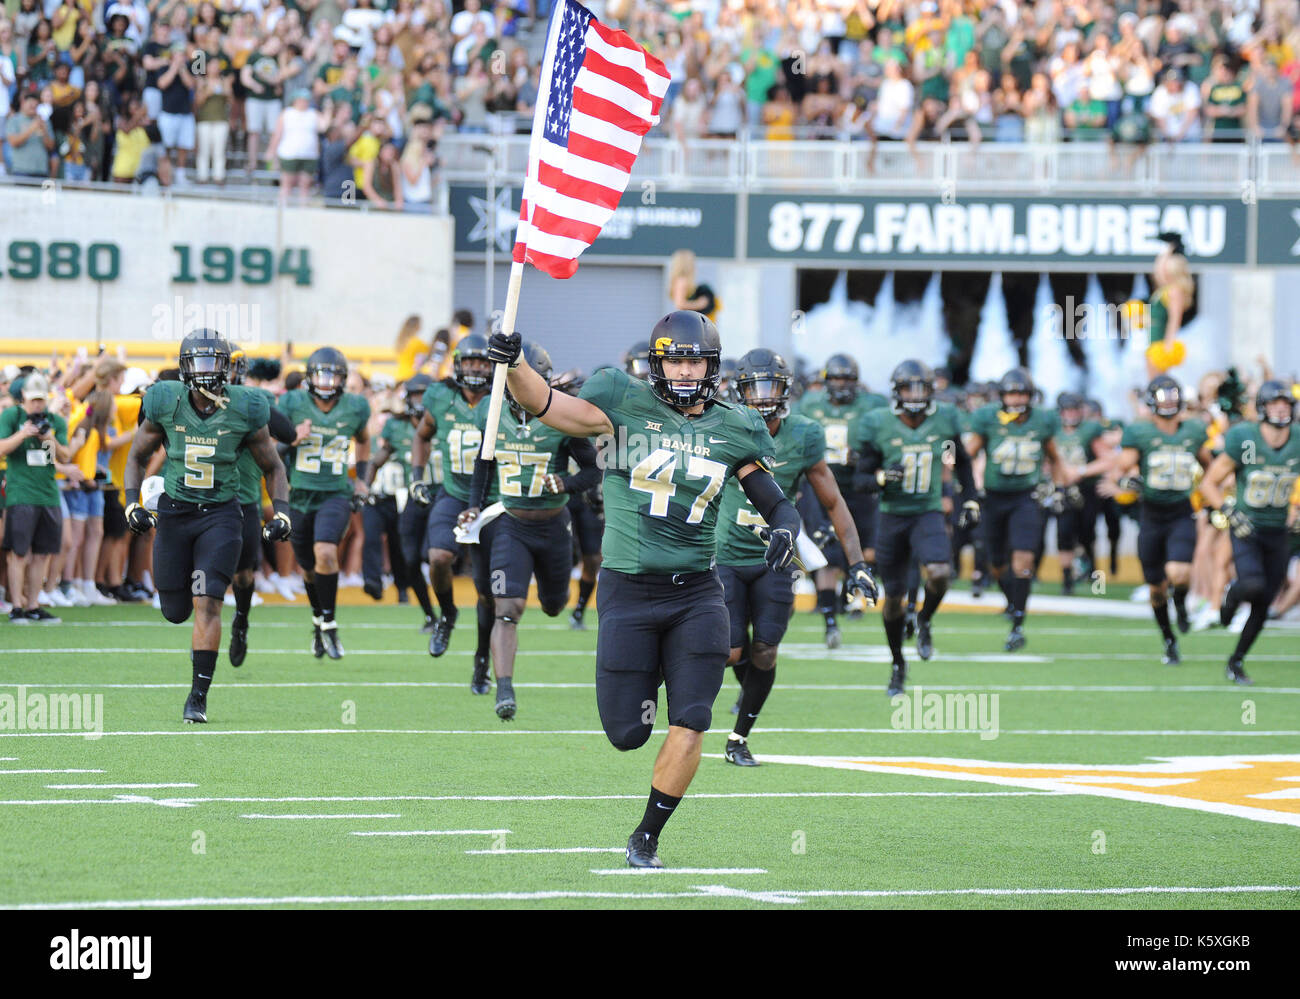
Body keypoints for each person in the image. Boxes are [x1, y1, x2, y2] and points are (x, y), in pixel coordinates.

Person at [490, 311, 800, 869]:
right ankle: (651, 672)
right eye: (675, 359)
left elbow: (773, 497)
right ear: (657, 364)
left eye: (695, 359)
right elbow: (549, 406)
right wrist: (513, 364)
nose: (685, 370)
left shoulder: (735, 425)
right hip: (629, 591)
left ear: (712, 364)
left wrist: (785, 526)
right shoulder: (622, 397)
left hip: (698, 594)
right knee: (627, 733)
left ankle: (646, 838)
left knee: (693, 718)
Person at [718, 349, 876, 764]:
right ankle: (743, 688)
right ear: (740, 391)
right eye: (755, 387)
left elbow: (835, 502)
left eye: (771, 386)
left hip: (777, 556)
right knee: (733, 651)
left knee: (765, 650)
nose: (764, 396)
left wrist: (857, 564)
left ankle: (738, 738)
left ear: (786, 390)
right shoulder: (721, 423)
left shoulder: (804, 433)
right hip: (725, 553)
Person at [123, 331, 290, 722]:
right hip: (176, 513)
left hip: (221, 514)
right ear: (184, 367)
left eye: (214, 362)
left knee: (209, 600)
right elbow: (136, 457)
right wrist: (131, 503)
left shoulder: (246, 405)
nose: (206, 371)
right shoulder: (164, 399)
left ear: (227, 367)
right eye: (198, 362)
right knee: (175, 610)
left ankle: (197, 696)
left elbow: (273, 465)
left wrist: (281, 510)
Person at [460, 342, 600, 720]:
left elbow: (593, 470)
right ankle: (504, 688)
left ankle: (555, 603)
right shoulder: (492, 413)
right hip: (511, 524)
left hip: (553, 526)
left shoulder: (559, 419)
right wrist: (474, 506)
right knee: (508, 608)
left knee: (555, 605)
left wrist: (565, 484)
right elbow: (483, 465)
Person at [854, 360, 976, 695]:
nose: (916, 395)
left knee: (939, 572)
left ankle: (924, 619)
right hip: (892, 516)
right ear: (897, 391)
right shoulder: (878, 423)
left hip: (928, 511)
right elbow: (861, 478)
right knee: (892, 600)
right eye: (909, 388)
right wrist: (881, 477)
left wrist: (970, 499)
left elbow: (962, 461)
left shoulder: (945, 419)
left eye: (922, 388)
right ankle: (898, 663)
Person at [963, 367, 1075, 652]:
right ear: (1002, 396)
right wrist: (965, 486)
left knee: (1022, 562)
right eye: (1012, 393)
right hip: (994, 497)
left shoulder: (1041, 420)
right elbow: (967, 454)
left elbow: (1055, 457)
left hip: (1026, 497)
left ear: (1030, 395)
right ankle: (1012, 603)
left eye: (1021, 393)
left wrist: (1060, 489)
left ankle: (1018, 624)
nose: (1016, 398)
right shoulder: (987, 418)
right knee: (997, 563)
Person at [409, 334, 497, 691]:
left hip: (493, 501)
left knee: (488, 589)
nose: (476, 368)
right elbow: (422, 434)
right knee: (439, 556)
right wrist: (417, 477)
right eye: (470, 361)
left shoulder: (501, 399)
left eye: (482, 362)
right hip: (455, 491)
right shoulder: (440, 396)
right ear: (458, 364)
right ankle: (446, 613)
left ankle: (481, 661)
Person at [1198, 381, 1300, 685]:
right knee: (1252, 586)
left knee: (1264, 601)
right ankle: (1230, 595)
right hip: (1248, 527)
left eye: (1286, 403)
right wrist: (1229, 512)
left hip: (1278, 531)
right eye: (1275, 404)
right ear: (1262, 408)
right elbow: (1208, 483)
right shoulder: (1244, 438)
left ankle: (1236, 660)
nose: (1281, 409)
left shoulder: (1297, 438)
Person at [277, 347, 371, 659]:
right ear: (309, 377)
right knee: (308, 569)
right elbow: (266, 447)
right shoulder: (291, 403)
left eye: (333, 374)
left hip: (335, 492)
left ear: (343, 378)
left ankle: (329, 622)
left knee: (326, 552)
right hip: (300, 494)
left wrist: (362, 478)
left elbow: (364, 439)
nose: (327, 381)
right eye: (321, 373)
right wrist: (291, 438)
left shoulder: (355, 407)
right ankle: (318, 620)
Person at [1113, 375, 1213, 665]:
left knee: (1179, 572)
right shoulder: (1140, 433)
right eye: (1163, 397)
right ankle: (1168, 638)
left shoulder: (1193, 430)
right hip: (1152, 515)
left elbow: (1210, 465)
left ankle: (1180, 602)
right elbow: (1120, 470)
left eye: (1173, 396)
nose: (1168, 402)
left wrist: (1211, 492)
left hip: (1181, 510)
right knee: (1156, 588)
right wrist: (1128, 481)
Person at [795, 354, 887, 647]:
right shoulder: (809, 405)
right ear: (826, 381)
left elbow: (883, 444)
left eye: (847, 378)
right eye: (836, 378)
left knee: (865, 549)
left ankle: (853, 595)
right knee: (825, 552)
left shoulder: (872, 407)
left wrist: (867, 459)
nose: (841, 384)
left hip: (857, 487)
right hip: (820, 487)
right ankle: (830, 620)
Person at [227, 350, 298, 668]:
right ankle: (205, 633)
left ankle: (241, 619)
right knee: (208, 578)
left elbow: (287, 431)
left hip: (242, 498)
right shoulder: (187, 399)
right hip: (201, 500)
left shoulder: (248, 399)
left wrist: (254, 401)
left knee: (243, 573)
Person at [0, 373, 76, 623]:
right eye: (33, 400)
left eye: (41, 400)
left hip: (48, 494)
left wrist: (49, 438)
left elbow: (65, 456)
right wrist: (23, 434)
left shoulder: (55, 421)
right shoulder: (12, 416)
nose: (37, 405)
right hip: (21, 493)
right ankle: (17, 606)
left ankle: (33, 605)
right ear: (23, 397)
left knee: (42, 554)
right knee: (19, 553)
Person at [361, 374, 435, 629]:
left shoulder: (446, 422)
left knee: (434, 553)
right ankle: (428, 613)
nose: (421, 400)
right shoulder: (397, 425)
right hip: (411, 498)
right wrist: (365, 485)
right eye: (416, 394)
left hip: (442, 494)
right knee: (409, 556)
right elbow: (378, 458)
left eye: (425, 394)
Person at [549, 368, 604, 631]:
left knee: (593, 558)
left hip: (592, 496)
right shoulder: (552, 417)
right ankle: (556, 595)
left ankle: (580, 608)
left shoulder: (608, 417)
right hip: (562, 493)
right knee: (559, 550)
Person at [1052, 392, 1108, 595]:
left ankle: (1095, 575)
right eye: (1067, 410)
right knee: (1064, 533)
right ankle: (1067, 581)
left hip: (1086, 489)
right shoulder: (1053, 430)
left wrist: (1080, 471)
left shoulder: (1090, 430)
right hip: (1062, 489)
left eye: (1074, 409)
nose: (1071, 414)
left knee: (1087, 534)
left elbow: (1107, 459)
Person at [1146, 236, 1194, 379]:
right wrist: (1167, 251)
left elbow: (1175, 319)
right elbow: (1158, 271)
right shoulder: (1165, 289)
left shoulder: (1175, 291)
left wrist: (1168, 344)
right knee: (1152, 378)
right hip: (1153, 341)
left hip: (1161, 343)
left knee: (1157, 379)